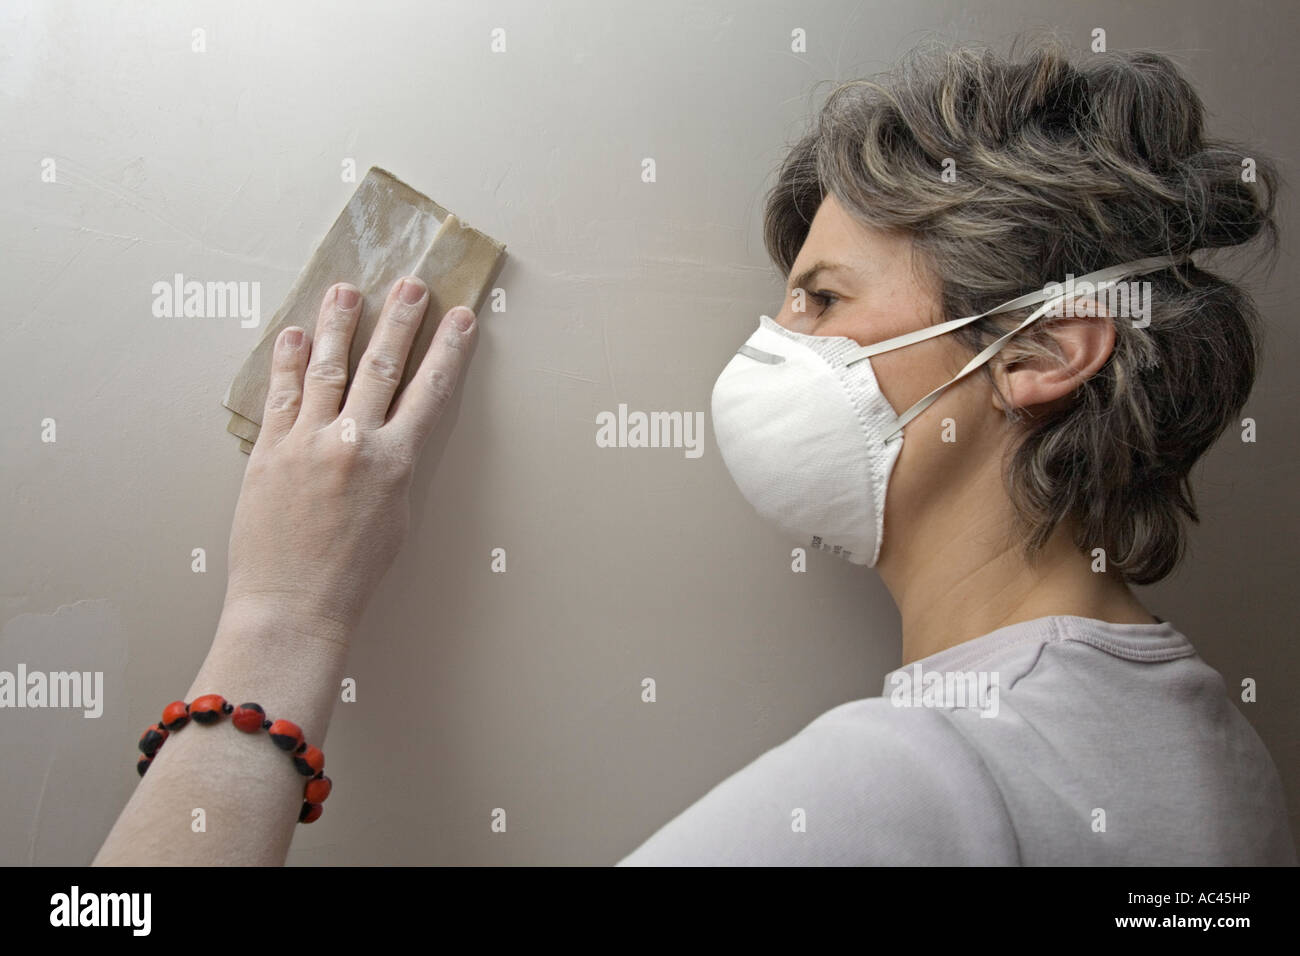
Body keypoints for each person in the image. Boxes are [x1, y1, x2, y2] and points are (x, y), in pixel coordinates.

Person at [95, 38, 1294, 866]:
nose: (769, 350)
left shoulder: (905, 789)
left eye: (821, 299)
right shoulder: (1219, 756)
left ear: (1040, 354)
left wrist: (281, 616)